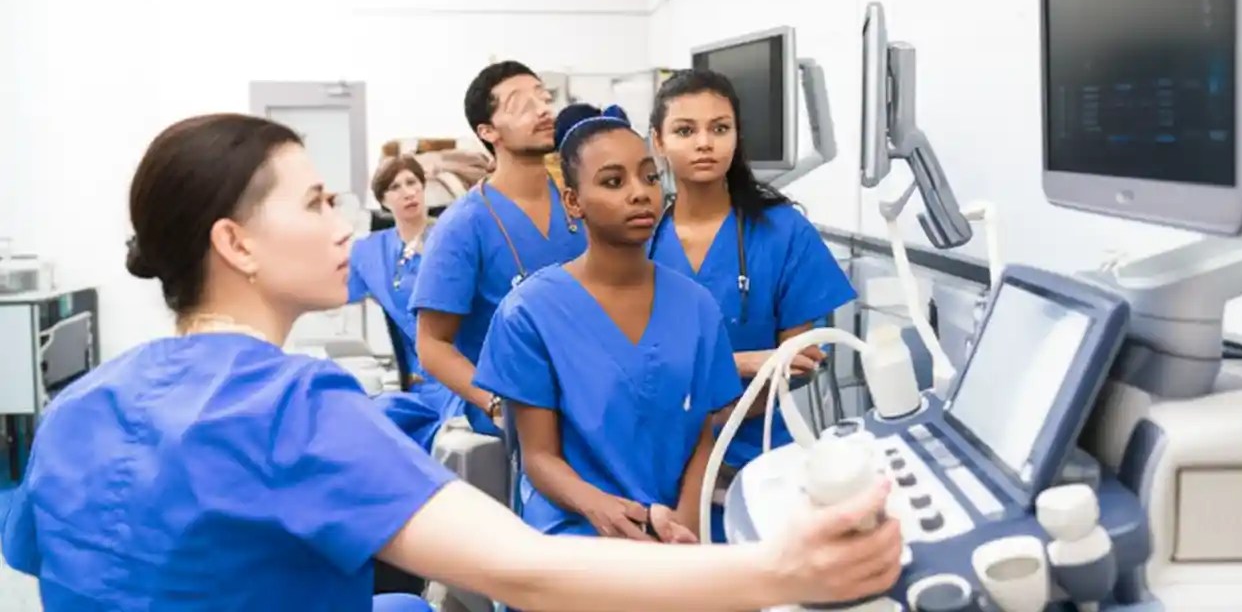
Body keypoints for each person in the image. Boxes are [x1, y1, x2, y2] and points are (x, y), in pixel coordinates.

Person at [2, 112, 903, 611]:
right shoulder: (295, 408)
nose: (343, 225)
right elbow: (526, 571)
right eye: (317, 202)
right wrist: (783, 572)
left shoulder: (82, 406)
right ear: (235, 243)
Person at [474, 104, 741, 543]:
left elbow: (701, 436)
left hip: (674, 529)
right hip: (576, 530)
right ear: (573, 202)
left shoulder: (697, 306)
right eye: (614, 182)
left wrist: (686, 526)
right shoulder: (530, 313)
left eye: (649, 178)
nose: (639, 193)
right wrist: (602, 511)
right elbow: (540, 458)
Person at [647, 69, 858, 541]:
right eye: (685, 130)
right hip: (656, 461)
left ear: (737, 136)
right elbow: (626, 368)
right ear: (658, 142)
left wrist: (707, 425)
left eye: (720, 128)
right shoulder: (639, 237)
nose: (705, 142)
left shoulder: (783, 231)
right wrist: (741, 362)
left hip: (761, 457)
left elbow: (797, 360)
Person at [412, 61, 586, 437]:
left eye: (544, 98)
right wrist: (494, 401)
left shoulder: (579, 203)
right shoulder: (464, 225)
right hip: (511, 417)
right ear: (487, 131)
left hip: (590, 400)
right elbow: (431, 344)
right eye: (521, 105)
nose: (543, 110)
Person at [350, 155, 463, 453]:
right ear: (384, 201)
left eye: (412, 182)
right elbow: (331, 289)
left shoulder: (451, 237)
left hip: (459, 369)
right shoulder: (370, 250)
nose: (407, 192)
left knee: (456, 441)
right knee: (373, 423)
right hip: (416, 382)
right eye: (395, 187)